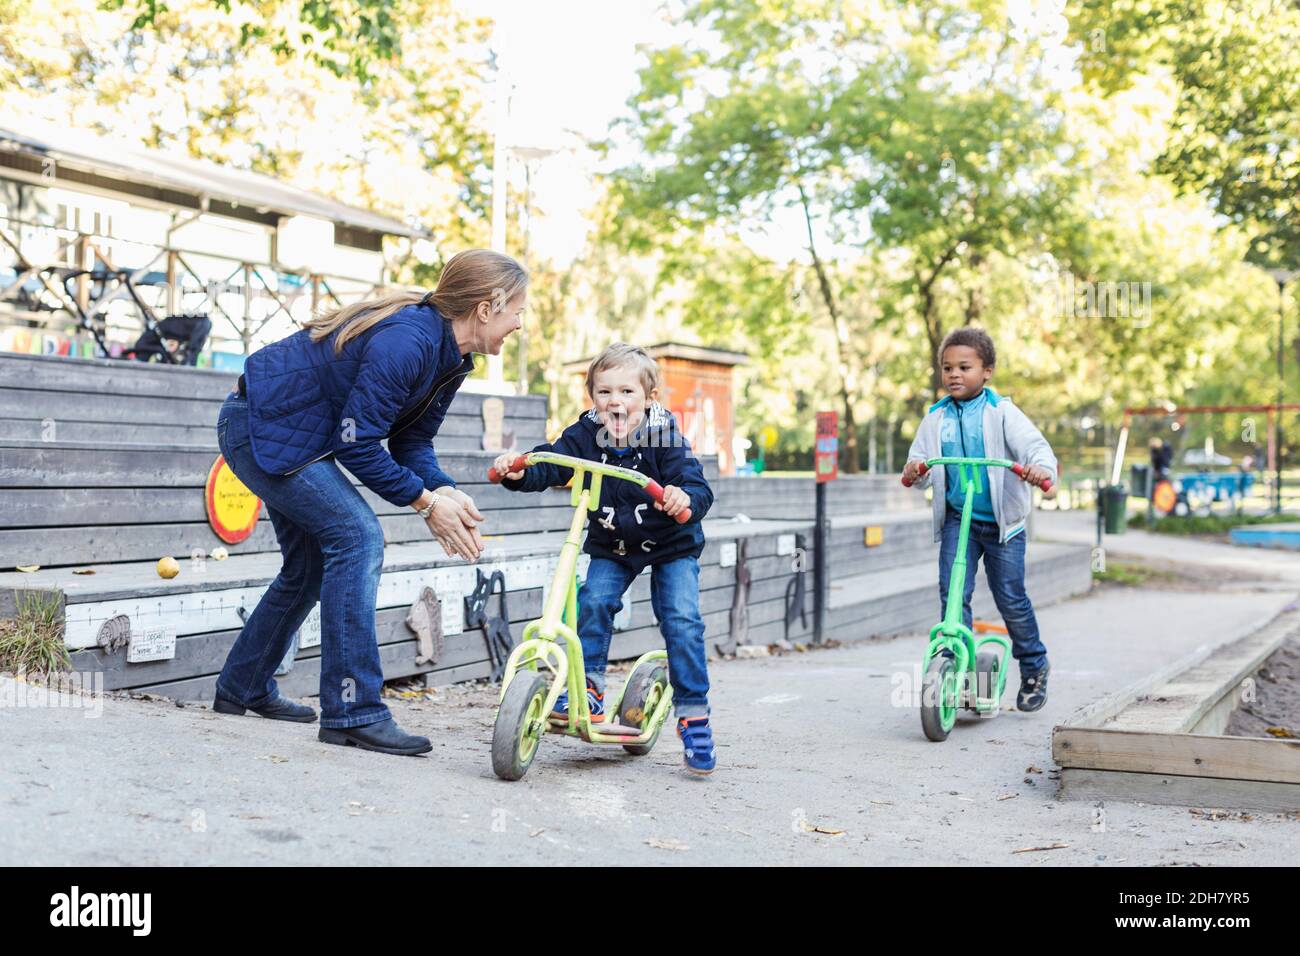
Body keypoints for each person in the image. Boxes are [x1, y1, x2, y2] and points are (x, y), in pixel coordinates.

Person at [213, 249, 527, 756]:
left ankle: (243, 686)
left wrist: (443, 489)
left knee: (309, 566)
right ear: (488, 307)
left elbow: (411, 443)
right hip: (261, 425)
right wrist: (425, 503)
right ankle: (353, 711)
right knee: (357, 539)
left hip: (294, 433)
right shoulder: (408, 341)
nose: (519, 324)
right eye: (517, 310)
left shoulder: (450, 357)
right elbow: (357, 442)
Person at [493, 343, 718, 773]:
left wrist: (681, 496)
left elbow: (697, 485)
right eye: (604, 393)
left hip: (672, 543)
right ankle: (591, 686)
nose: (615, 402)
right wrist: (522, 471)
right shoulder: (585, 435)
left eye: (627, 392)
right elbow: (551, 464)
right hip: (613, 543)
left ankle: (693, 713)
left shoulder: (664, 438)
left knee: (681, 618)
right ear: (592, 397)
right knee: (592, 600)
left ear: (650, 397)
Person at [902, 327, 1057, 711]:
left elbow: (1035, 447)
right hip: (961, 519)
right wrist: (915, 469)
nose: (954, 374)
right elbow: (916, 464)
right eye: (947, 367)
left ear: (986, 371)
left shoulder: (1001, 411)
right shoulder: (935, 417)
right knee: (953, 592)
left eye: (964, 367)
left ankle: (1035, 668)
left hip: (1003, 524)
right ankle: (958, 669)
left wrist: (1039, 469)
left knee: (1010, 597)